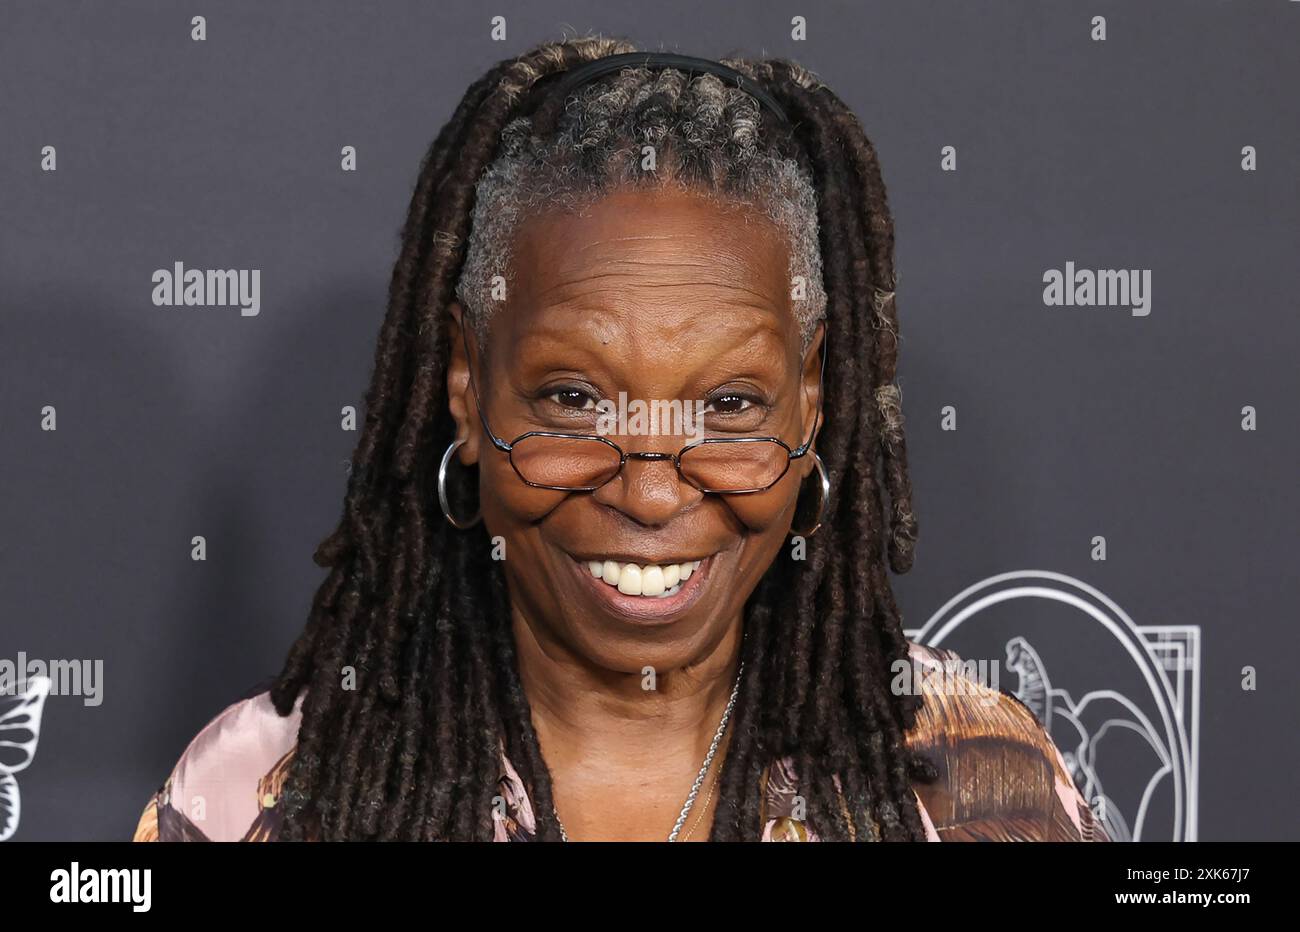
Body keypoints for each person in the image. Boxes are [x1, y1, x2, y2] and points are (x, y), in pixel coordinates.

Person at [133, 37, 1108, 843]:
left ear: (808, 401)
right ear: (467, 390)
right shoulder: (269, 794)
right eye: (573, 397)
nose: (648, 494)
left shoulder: (972, 780)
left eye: (727, 404)